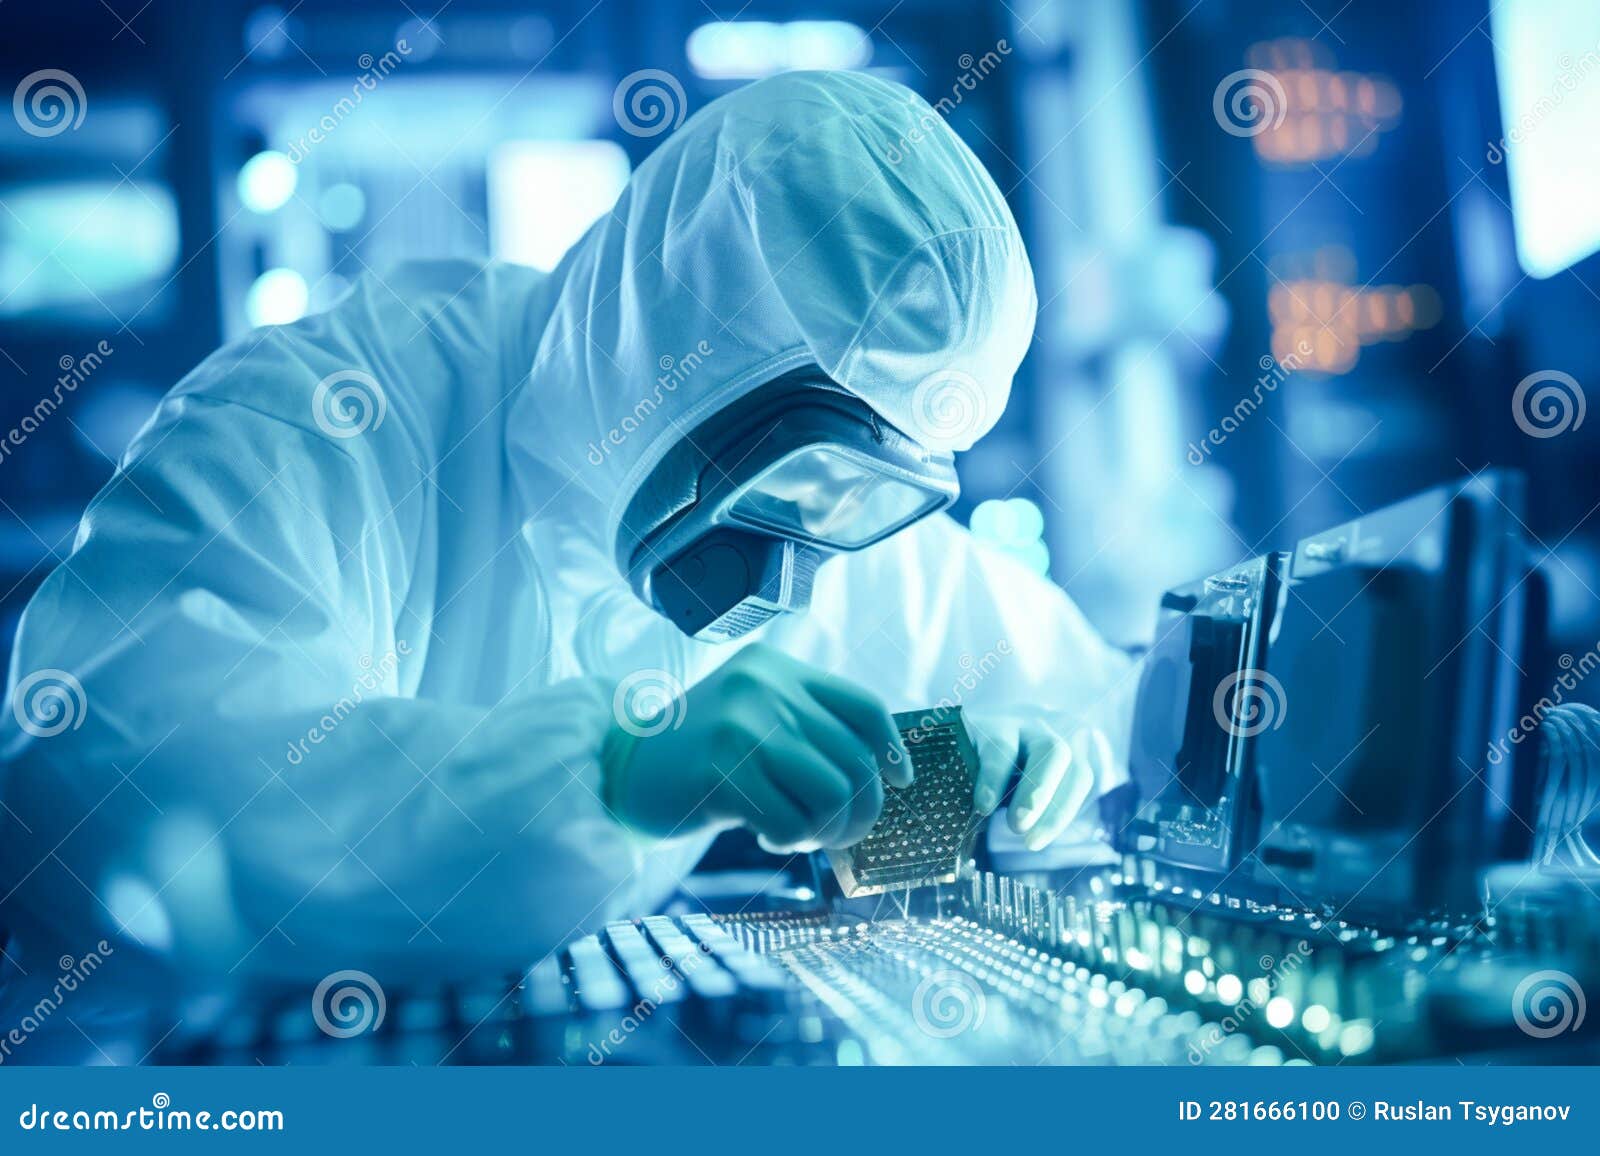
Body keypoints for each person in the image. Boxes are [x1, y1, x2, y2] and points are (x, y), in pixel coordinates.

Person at [0, 71, 1136, 987]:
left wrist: (989, 779)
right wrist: (608, 769)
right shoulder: (324, 418)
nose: (802, 554)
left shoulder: (826, 515)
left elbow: (1101, 711)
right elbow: (110, 796)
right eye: (803, 464)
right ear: (673, 352)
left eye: (870, 491)